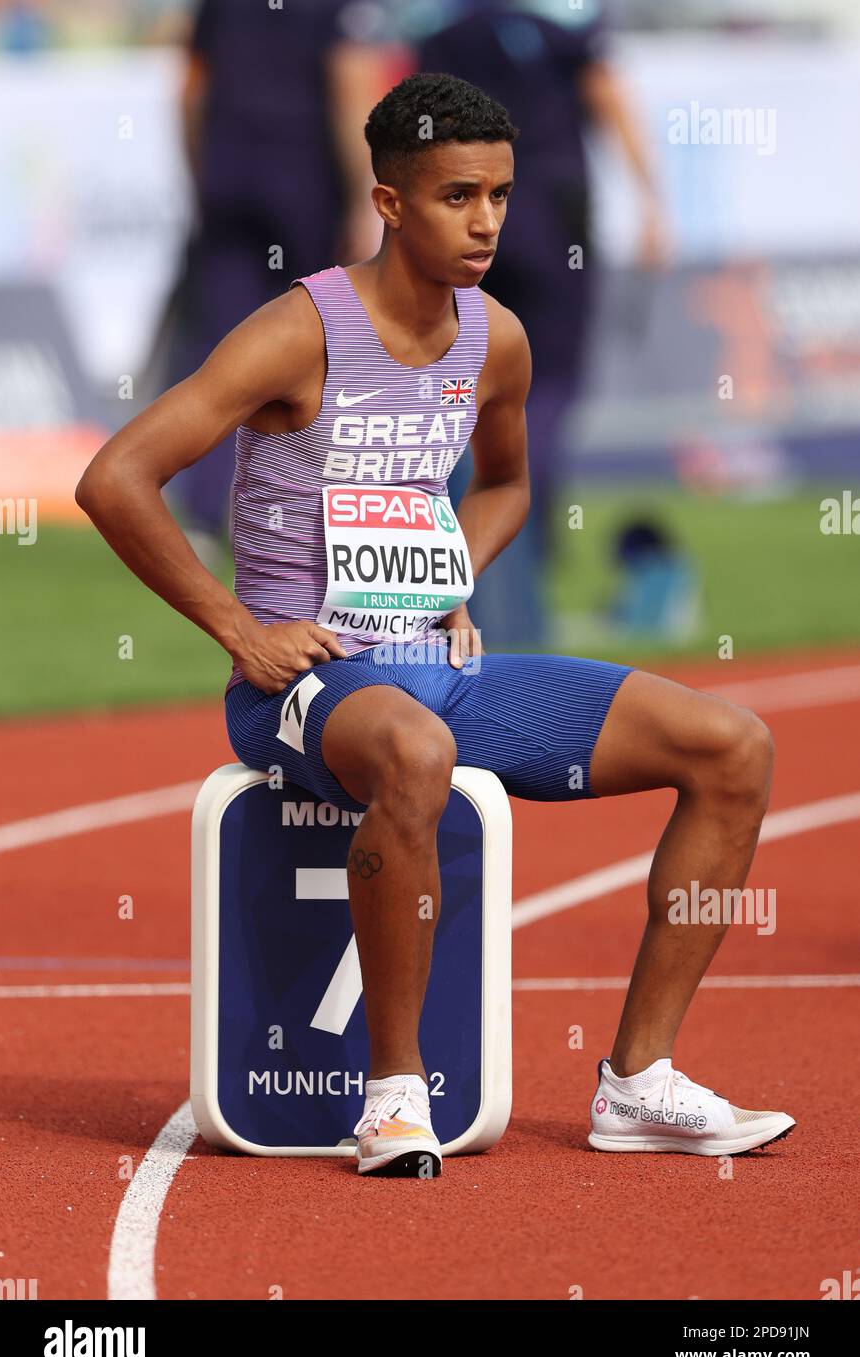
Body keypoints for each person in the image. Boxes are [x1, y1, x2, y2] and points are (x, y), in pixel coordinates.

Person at [75, 72, 794, 1179]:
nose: (488, 221)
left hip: (438, 663)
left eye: (500, 194)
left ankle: (636, 1080)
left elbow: (504, 482)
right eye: (458, 195)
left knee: (730, 744)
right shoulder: (294, 332)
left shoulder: (494, 338)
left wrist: (453, 562)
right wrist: (239, 630)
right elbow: (116, 477)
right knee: (415, 752)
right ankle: (394, 1095)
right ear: (390, 203)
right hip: (303, 687)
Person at [411, 0, 670, 648]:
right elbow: (606, 92)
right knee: (544, 390)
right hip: (554, 218)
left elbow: (410, 124)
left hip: (466, 217)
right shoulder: (566, 18)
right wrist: (650, 197)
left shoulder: (441, 28)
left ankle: (462, 570)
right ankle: (521, 543)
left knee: (460, 392)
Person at [163, 0, 391, 571]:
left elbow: (191, 91)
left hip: (229, 183)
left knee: (219, 351)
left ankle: (200, 514)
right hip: (303, 187)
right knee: (323, 345)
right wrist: (365, 200)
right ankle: (318, 508)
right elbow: (349, 92)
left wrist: (201, 178)